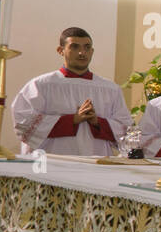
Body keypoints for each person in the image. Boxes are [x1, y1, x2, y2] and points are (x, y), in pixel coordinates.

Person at [12, 28, 133, 157]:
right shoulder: (41, 85)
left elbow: (127, 131)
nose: (82, 53)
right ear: (61, 50)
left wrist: (97, 122)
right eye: (74, 47)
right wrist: (72, 120)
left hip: (96, 163)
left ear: (92, 51)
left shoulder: (110, 89)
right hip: (51, 163)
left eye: (87, 47)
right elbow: (23, 123)